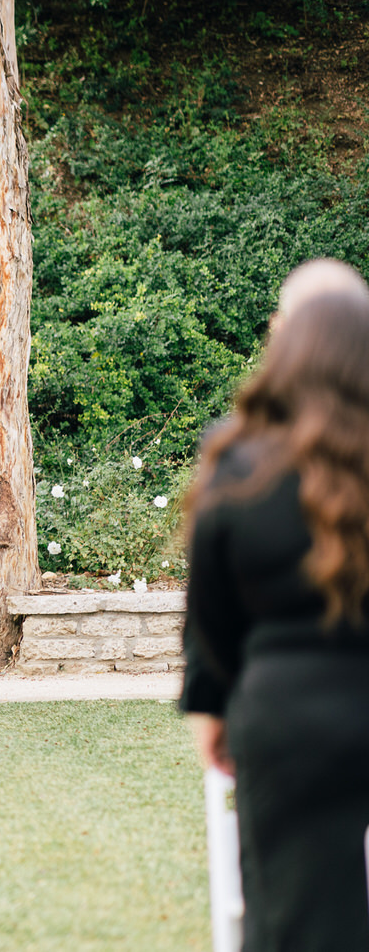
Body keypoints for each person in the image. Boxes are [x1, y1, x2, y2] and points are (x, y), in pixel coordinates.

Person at [180, 290, 369, 951]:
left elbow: (210, 614)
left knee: (286, 907)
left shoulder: (237, 468)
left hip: (280, 712)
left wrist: (223, 702)